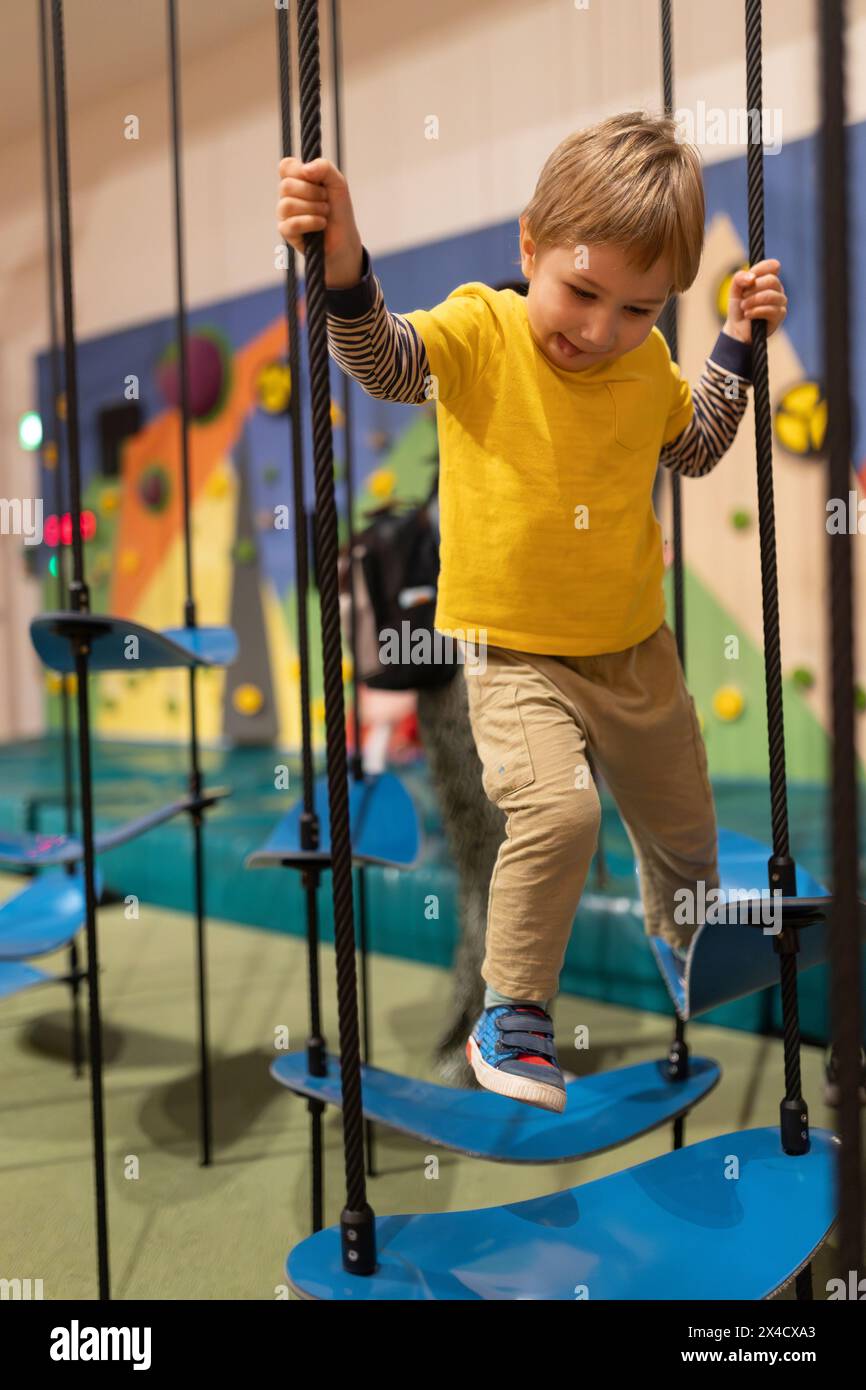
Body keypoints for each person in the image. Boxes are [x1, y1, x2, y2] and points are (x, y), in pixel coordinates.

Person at [276, 111, 788, 1113]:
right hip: (517, 657)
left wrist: (732, 338)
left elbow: (693, 445)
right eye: (582, 291)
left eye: (638, 311)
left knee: (684, 834)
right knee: (557, 812)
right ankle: (510, 1008)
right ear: (529, 247)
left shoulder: (642, 367)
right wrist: (342, 266)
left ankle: (680, 941)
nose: (600, 331)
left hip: (637, 655)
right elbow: (382, 360)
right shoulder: (483, 329)